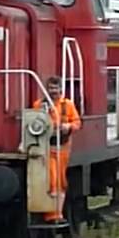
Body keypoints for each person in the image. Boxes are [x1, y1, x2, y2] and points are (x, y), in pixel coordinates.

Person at [35, 76, 81, 222]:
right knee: (52, 179)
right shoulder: (38, 105)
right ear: (46, 89)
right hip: (47, 147)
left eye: (55, 88)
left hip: (63, 148)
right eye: (50, 88)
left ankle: (57, 213)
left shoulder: (68, 105)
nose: (53, 91)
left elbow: (77, 122)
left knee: (61, 180)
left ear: (61, 89)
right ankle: (51, 214)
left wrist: (69, 126)